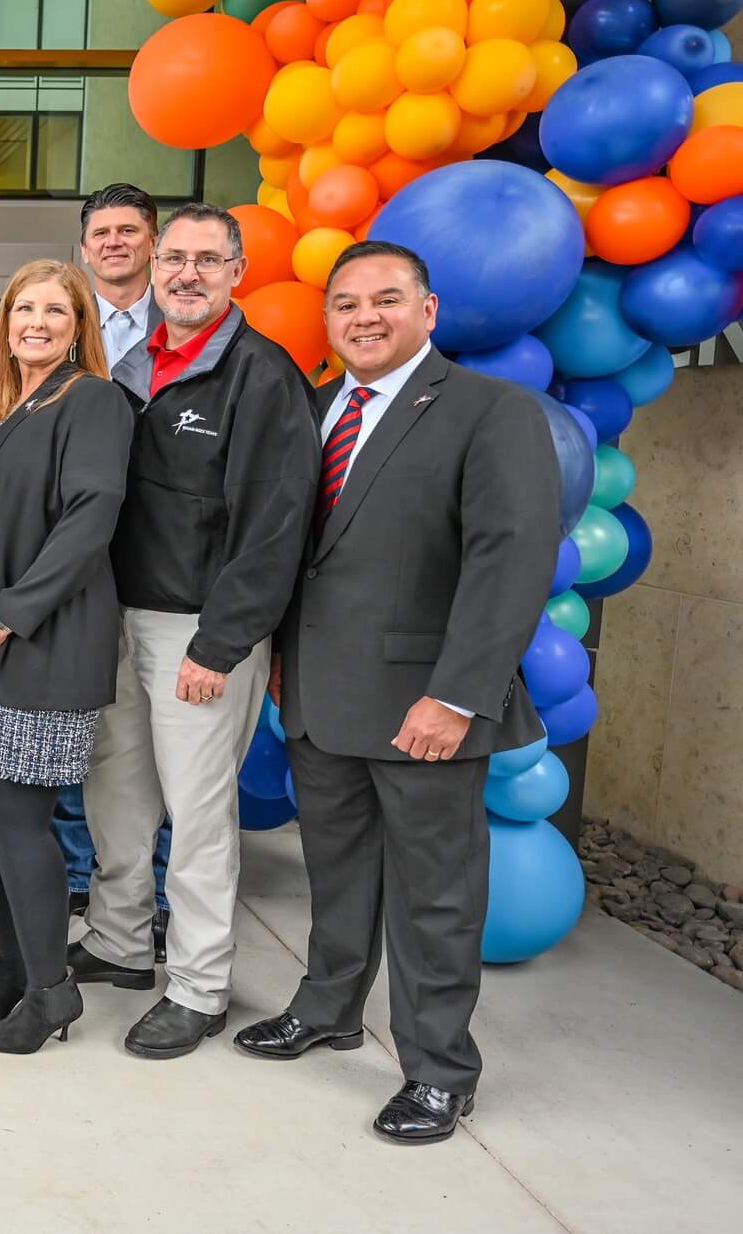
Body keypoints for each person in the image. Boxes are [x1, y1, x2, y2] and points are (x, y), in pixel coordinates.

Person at [234, 241, 558, 1144]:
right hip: (319, 695)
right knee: (337, 873)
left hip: (425, 705)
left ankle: (439, 1070)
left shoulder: (490, 411)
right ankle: (328, 1007)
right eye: (345, 303)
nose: (364, 317)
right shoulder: (318, 408)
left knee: (435, 897)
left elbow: (509, 561)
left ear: (428, 310)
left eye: (385, 299)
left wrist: (457, 695)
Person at [71, 203, 320, 1060]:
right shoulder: (131, 365)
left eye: (208, 260)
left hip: (199, 631)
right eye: (174, 257)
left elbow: (276, 527)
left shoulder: (261, 376)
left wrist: (222, 643)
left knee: (200, 814)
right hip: (119, 618)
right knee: (119, 795)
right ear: (154, 265)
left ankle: (200, 985)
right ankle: (119, 939)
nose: (187, 274)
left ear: (237, 272)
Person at [0, 260, 133, 1054]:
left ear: (80, 325)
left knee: (21, 818)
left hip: (45, 638)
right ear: (5, 323)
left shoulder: (91, 400)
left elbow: (91, 517)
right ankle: (11, 974)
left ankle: (52, 990)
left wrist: (6, 618)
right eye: (24, 309)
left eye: (56, 310)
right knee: (4, 812)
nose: (37, 323)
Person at [69, 184, 174, 954]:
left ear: (152, 242)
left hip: (162, 567)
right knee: (85, 736)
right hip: (78, 570)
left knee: (157, 750)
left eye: (128, 230)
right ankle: (85, 880)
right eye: (101, 232)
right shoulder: (60, 326)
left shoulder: (187, 329)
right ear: (84, 248)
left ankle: (155, 894)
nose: (113, 242)